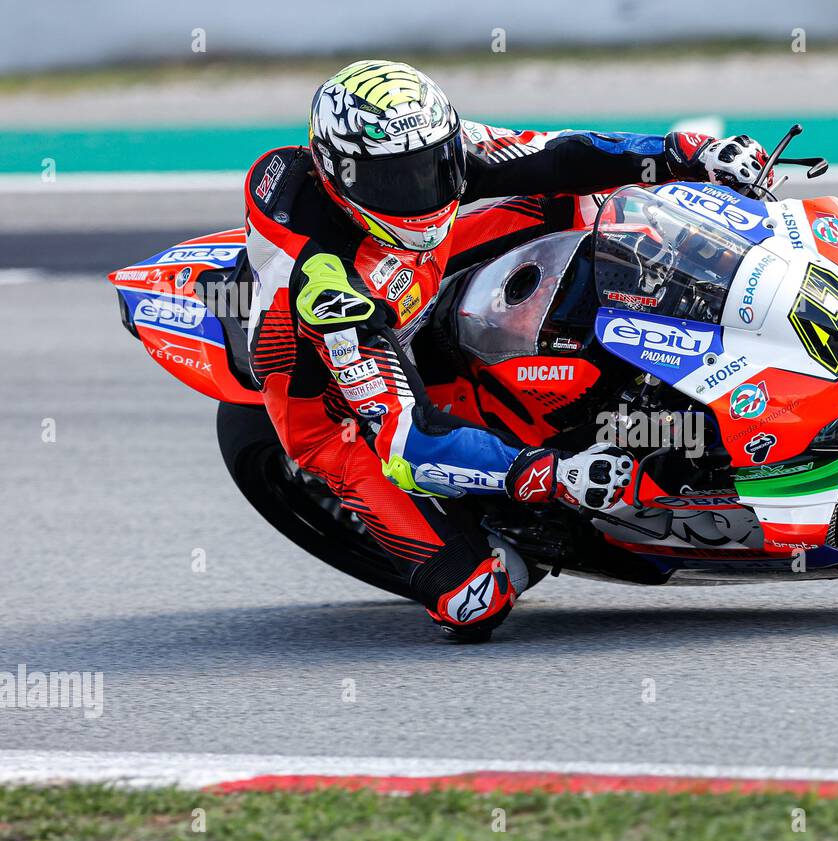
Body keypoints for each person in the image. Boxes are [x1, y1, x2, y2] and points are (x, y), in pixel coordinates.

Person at [242, 59, 772, 641]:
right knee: (475, 602)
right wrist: (545, 474)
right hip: (332, 409)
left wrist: (683, 153)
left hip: (414, 270)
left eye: (433, 169)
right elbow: (405, 442)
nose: (422, 193)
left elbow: (562, 154)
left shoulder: (431, 145)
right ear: (339, 175)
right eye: (398, 182)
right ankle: (510, 529)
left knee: (578, 203)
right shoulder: (330, 291)